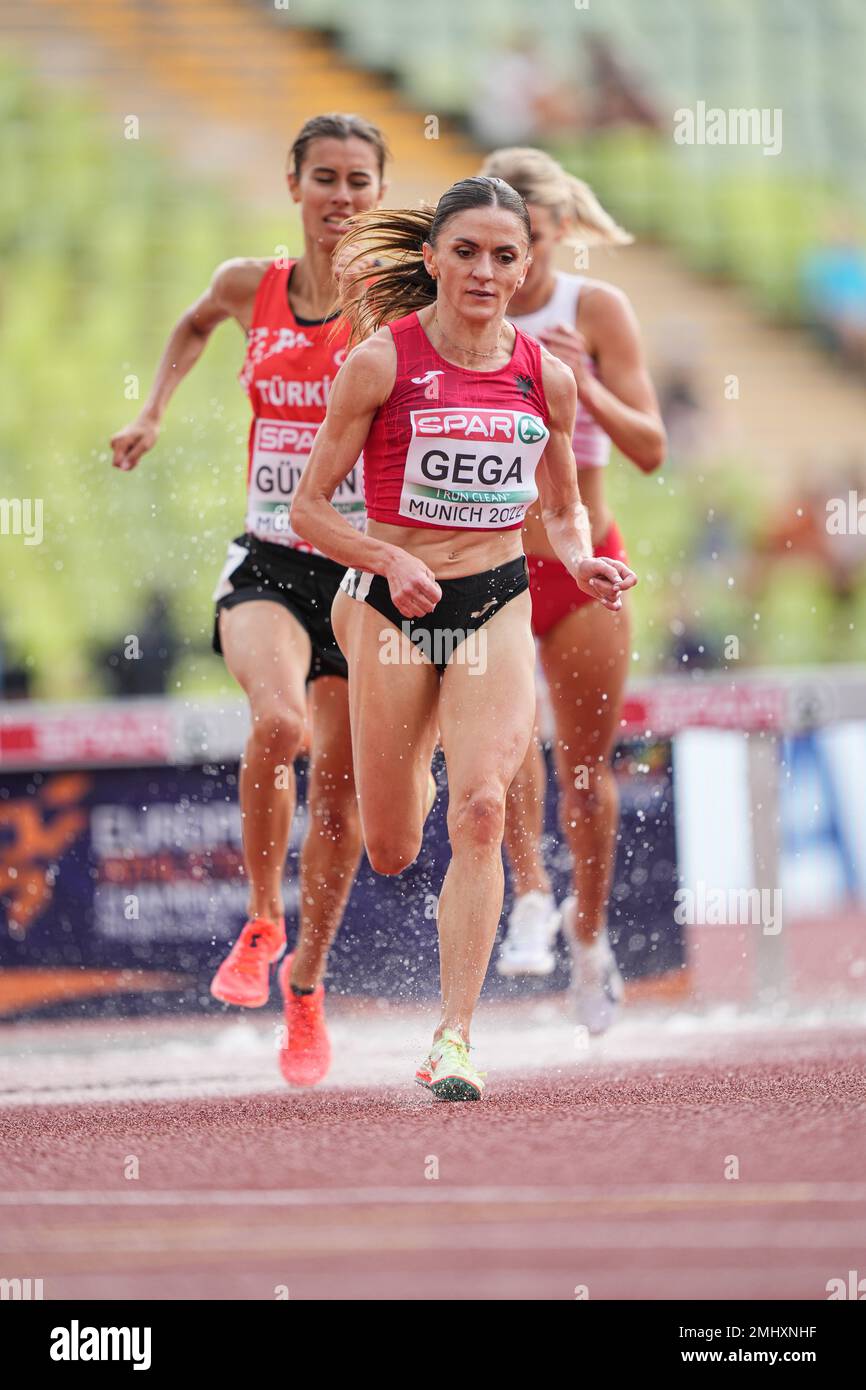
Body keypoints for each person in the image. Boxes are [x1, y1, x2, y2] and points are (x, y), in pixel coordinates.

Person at [290, 175, 636, 1100]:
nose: (486, 270)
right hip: (389, 606)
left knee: (481, 808)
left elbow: (562, 510)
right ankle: (420, 736)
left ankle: (454, 1038)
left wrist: (581, 559)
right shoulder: (381, 362)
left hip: (495, 601)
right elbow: (309, 508)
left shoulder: (545, 374)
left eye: (505, 255)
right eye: (469, 251)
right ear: (435, 258)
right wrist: (387, 559)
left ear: (528, 268)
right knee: (395, 845)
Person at [109, 113, 392, 1086]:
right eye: (326, 178)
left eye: (360, 182)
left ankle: (306, 989)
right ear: (293, 184)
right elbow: (191, 324)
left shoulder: (396, 305)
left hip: (361, 569)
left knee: (346, 801)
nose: (342, 199)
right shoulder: (249, 287)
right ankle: (264, 921)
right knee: (279, 725)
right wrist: (152, 409)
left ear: (377, 196)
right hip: (271, 559)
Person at [479, 148, 665, 1032]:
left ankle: (589, 942)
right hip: (495, 562)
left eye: (526, 237)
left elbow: (652, 447)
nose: (507, 260)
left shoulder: (594, 308)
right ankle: (527, 891)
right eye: (492, 239)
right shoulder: (465, 302)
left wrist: (582, 379)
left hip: (588, 564)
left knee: (583, 776)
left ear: (555, 229)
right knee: (506, 747)